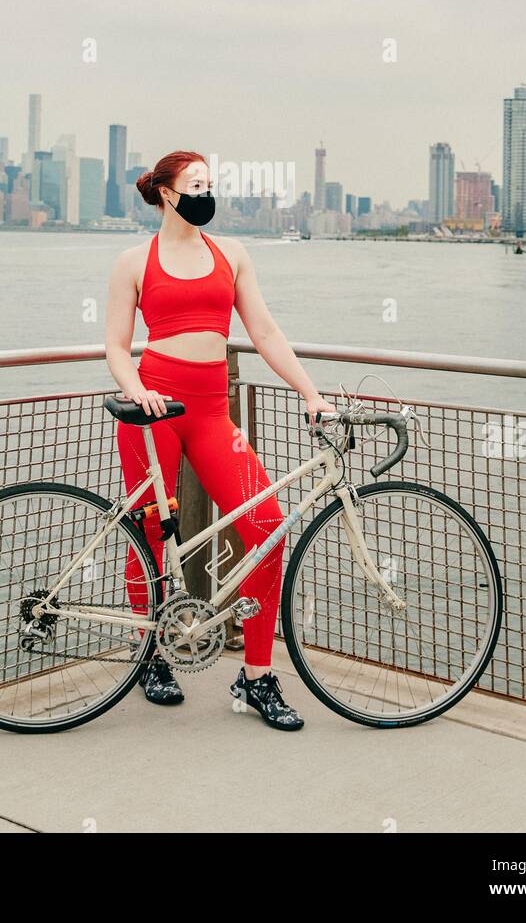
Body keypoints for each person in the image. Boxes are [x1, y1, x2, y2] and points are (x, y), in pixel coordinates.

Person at [104, 149, 333, 731]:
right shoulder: (133, 261)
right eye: (195, 184)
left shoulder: (231, 255)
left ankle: (256, 676)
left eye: (211, 183)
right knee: (150, 536)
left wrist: (310, 391)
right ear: (165, 192)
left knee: (268, 526)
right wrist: (137, 391)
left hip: (210, 412)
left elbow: (264, 330)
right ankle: (150, 655)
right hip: (152, 410)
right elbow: (114, 348)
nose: (207, 193)